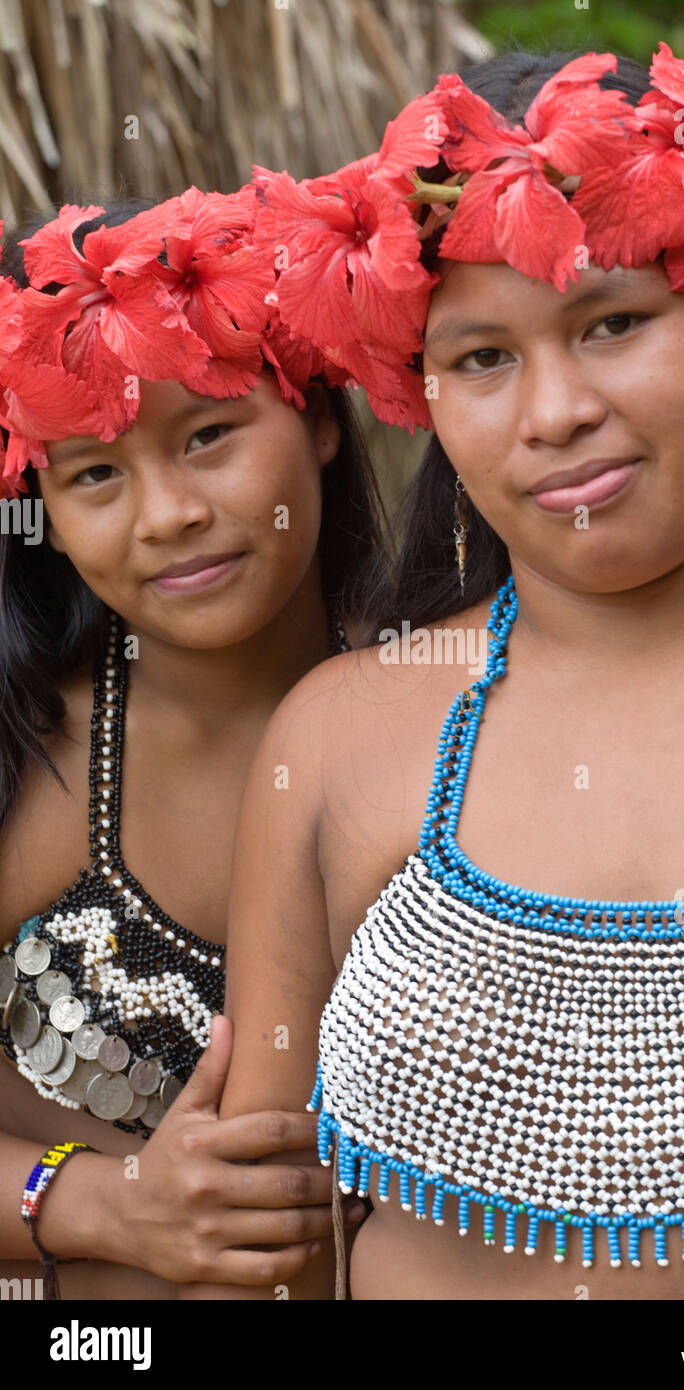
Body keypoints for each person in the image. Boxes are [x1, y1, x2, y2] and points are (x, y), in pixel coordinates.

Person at [209, 44, 684, 1299]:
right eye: (481, 359)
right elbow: (265, 1243)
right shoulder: (337, 744)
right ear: (426, 399)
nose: (551, 410)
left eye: (611, 321)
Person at [0, 186, 382, 1298]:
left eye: (209, 434)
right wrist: (102, 1203)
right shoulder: (31, 749)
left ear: (315, 415)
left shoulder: (451, 715)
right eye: (95, 474)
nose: (165, 512)